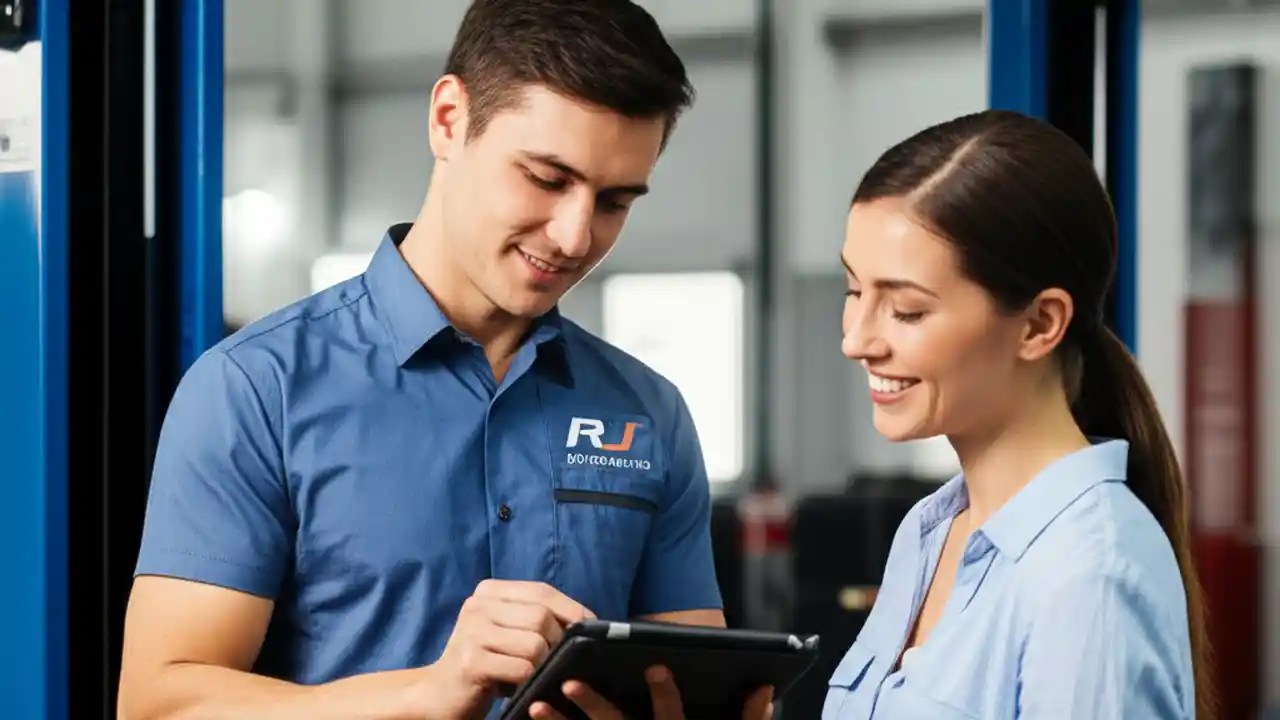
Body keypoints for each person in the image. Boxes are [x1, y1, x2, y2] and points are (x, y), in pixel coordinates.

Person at [117, 2, 770, 718]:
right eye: (547, 179)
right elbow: (161, 706)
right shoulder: (256, 390)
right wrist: (424, 696)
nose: (576, 235)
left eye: (614, 201)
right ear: (449, 119)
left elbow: (693, 690)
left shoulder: (647, 413)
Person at [825, 110, 1213, 719]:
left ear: (1039, 324)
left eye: (905, 310)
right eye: (854, 293)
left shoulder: (1088, 578)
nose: (856, 340)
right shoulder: (929, 532)